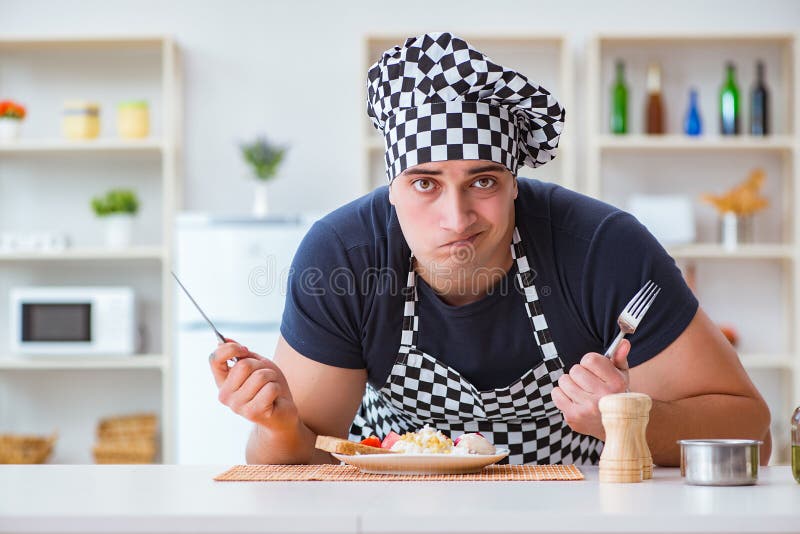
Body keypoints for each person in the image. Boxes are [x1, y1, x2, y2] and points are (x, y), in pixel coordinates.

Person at [209, 32, 771, 466]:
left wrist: (623, 418)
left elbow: (754, 432)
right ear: (392, 187)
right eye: (425, 183)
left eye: (483, 182)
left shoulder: (603, 250)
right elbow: (300, 457)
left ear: (514, 180)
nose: (457, 219)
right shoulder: (343, 256)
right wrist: (276, 426)